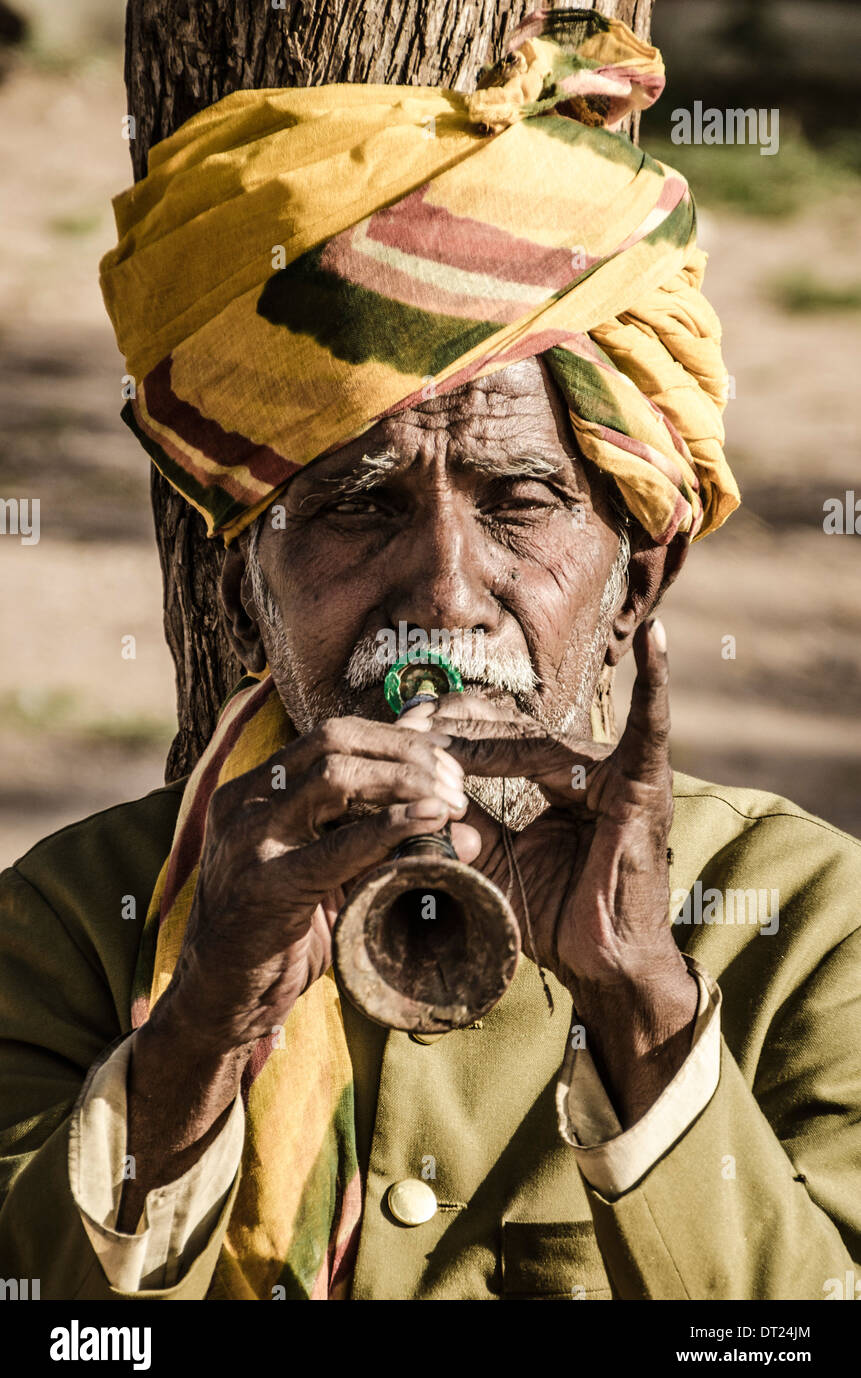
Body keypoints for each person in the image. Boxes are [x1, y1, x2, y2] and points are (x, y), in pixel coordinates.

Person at [0, 8, 858, 1301]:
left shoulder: (806, 927)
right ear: (252, 570)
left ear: (643, 575)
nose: (445, 594)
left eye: (519, 504)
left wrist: (644, 1013)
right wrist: (202, 1020)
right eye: (357, 505)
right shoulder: (70, 921)